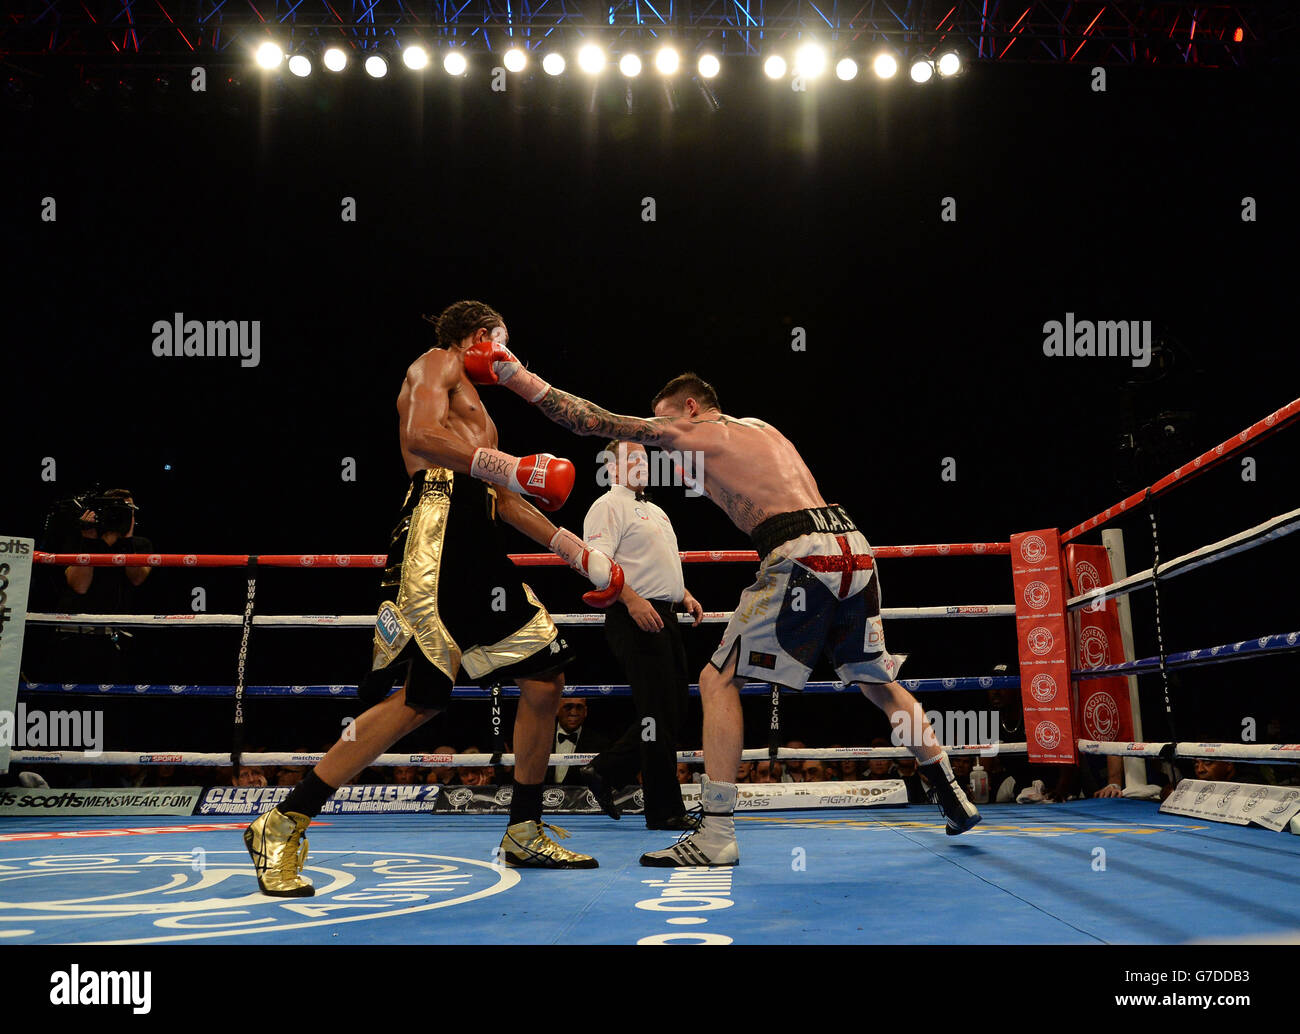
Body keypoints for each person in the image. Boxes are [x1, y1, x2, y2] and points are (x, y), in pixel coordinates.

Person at [467, 353, 981, 865]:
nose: (658, 437)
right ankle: (951, 790)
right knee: (877, 681)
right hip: (852, 546)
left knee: (717, 682)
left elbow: (590, 420)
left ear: (690, 408)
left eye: (665, 419)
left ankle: (715, 832)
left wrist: (513, 375)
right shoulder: (762, 430)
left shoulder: (700, 434)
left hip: (800, 550)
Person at [243, 300, 626, 896]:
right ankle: (283, 820)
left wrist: (578, 552)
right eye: (500, 344)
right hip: (436, 531)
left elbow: (501, 496)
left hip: (476, 530)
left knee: (546, 674)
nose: (505, 359)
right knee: (421, 698)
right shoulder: (434, 364)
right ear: (478, 337)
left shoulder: (479, 413)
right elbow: (422, 437)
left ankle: (523, 827)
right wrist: (509, 465)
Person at [571, 440, 705, 830]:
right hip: (634, 615)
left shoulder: (657, 512)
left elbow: (656, 564)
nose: (641, 465)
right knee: (658, 713)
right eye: (631, 460)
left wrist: (684, 594)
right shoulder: (607, 506)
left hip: (664, 614)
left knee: (674, 709)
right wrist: (631, 600)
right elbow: (596, 566)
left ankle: (604, 770)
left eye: (644, 460)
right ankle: (664, 811)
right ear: (612, 469)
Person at [545, 698, 611, 783]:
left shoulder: (600, 743)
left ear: (585, 712)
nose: (573, 713)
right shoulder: (538, 740)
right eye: (568, 707)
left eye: (579, 707)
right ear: (557, 709)